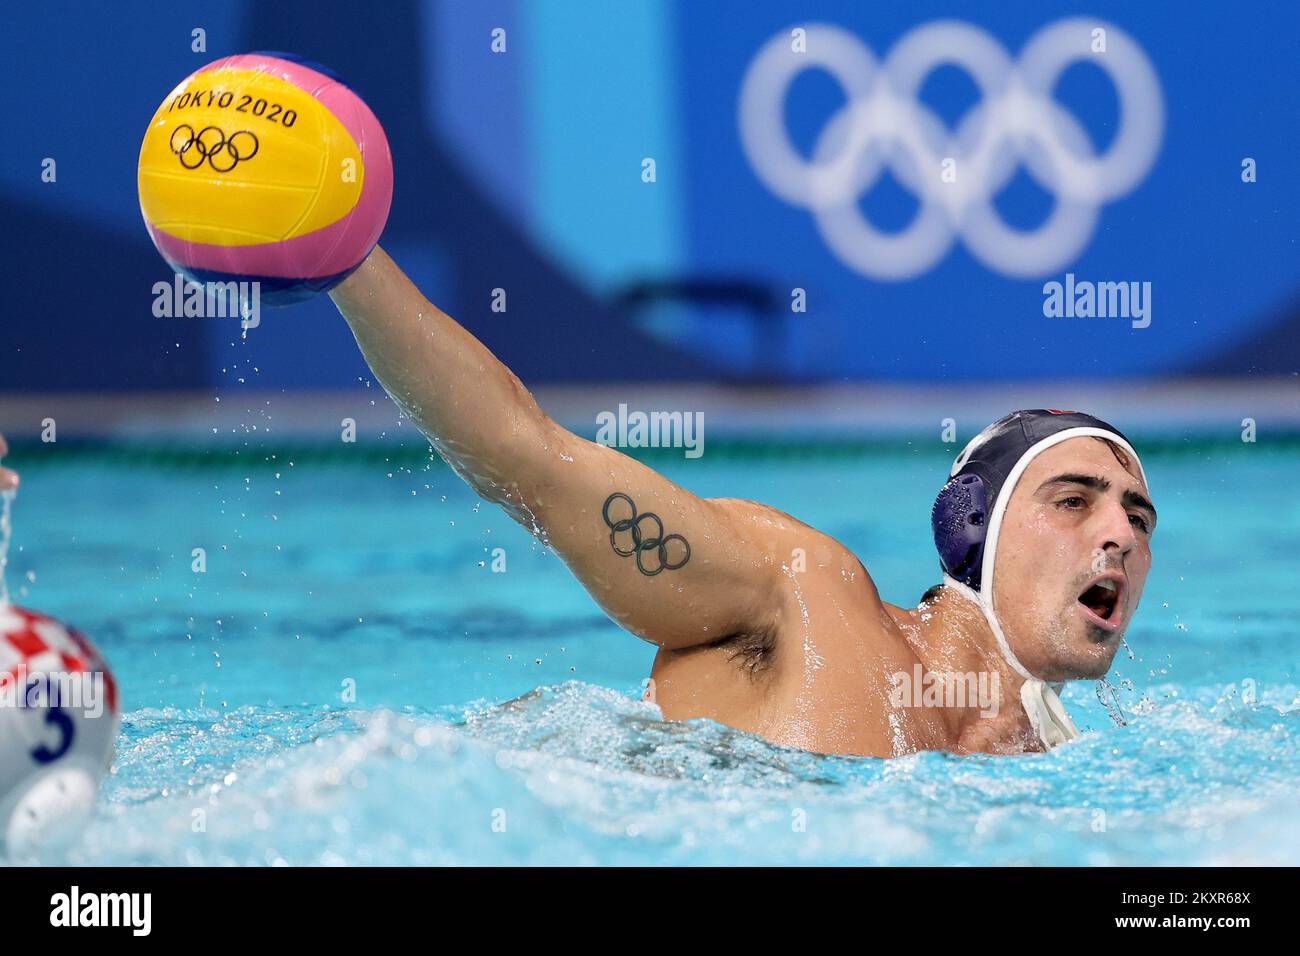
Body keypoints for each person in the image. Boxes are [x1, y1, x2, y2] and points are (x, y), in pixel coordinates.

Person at [329, 248, 1157, 757]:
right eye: (1074, 500)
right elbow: (527, 454)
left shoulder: (1058, 764)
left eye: (1138, 518)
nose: (1118, 533)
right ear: (969, 528)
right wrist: (347, 260)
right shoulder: (798, 589)